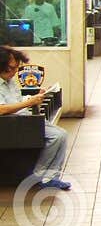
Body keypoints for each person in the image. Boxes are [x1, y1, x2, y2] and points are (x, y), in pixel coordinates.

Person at [0, 46, 70, 190]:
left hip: (23, 118)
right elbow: (2, 109)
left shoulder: (10, 81)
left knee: (62, 135)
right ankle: (40, 177)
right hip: (12, 124)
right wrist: (29, 102)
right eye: (12, 68)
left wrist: (34, 96)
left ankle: (51, 177)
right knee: (56, 137)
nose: (14, 72)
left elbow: (16, 100)